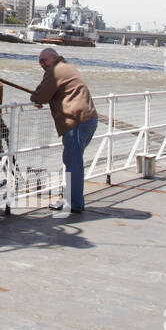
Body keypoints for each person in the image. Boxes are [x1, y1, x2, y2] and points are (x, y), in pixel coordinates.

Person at [30, 47, 98, 214]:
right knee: (72, 161)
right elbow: (55, 92)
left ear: (54, 57)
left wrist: (35, 98)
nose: (42, 65)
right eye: (40, 62)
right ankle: (72, 200)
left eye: (44, 60)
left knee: (73, 164)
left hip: (76, 122)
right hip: (88, 121)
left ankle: (73, 203)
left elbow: (41, 94)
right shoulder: (68, 67)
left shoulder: (55, 71)